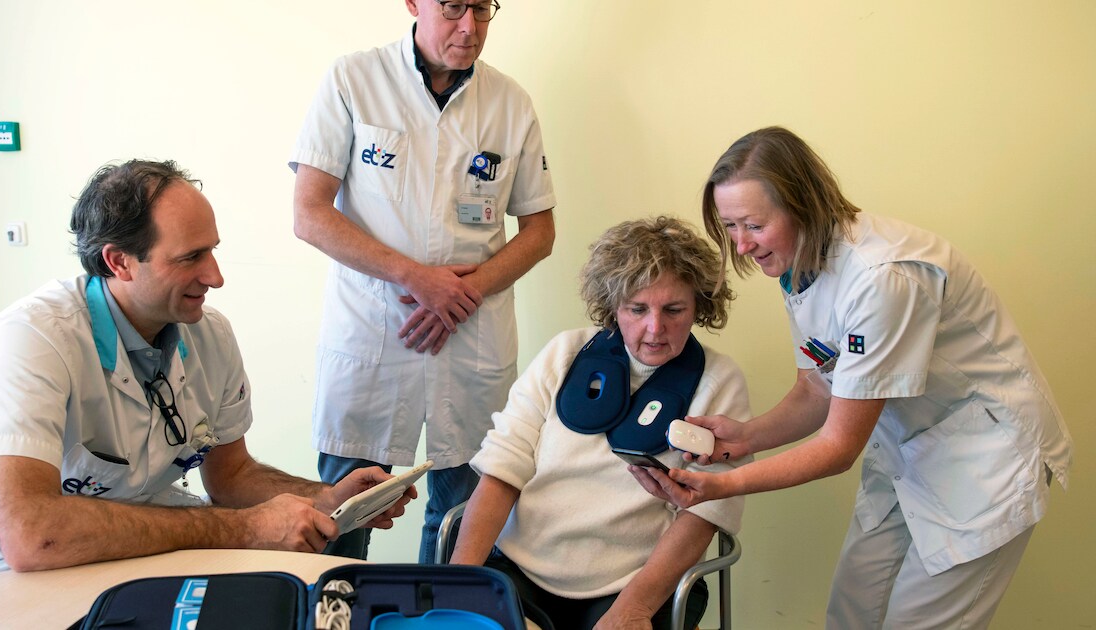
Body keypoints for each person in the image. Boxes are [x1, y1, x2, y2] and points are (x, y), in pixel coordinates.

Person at [633, 127, 1074, 628]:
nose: (742, 245)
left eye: (753, 224)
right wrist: (744, 436)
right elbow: (816, 387)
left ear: (802, 204)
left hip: (982, 460)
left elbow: (839, 446)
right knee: (851, 613)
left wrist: (722, 486)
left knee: (915, 622)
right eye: (730, 226)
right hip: (908, 451)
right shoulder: (798, 265)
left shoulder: (882, 278)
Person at [0, 160, 414, 579]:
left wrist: (326, 496)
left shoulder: (209, 334)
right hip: (3, 577)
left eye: (213, 250)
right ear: (119, 262)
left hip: (132, 554)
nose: (215, 276)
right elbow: (34, 537)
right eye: (191, 258)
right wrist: (245, 529)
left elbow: (232, 475)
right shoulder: (31, 342)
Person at [289, 0, 556, 562]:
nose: (470, 27)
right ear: (413, 3)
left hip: (470, 339)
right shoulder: (354, 80)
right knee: (342, 520)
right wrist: (416, 278)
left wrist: (464, 292)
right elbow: (310, 214)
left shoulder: (510, 103)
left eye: (483, 9)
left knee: (461, 524)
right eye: (454, 7)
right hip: (374, 335)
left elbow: (539, 231)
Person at [450, 217, 751, 630]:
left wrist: (634, 609)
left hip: (636, 583)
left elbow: (705, 514)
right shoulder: (564, 353)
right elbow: (503, 470)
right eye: (637, 309)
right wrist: (459, 582)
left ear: (699, 306)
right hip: (522, 571)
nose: (655, 328)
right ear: (613, 306)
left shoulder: (719, 382)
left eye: (674, 309)